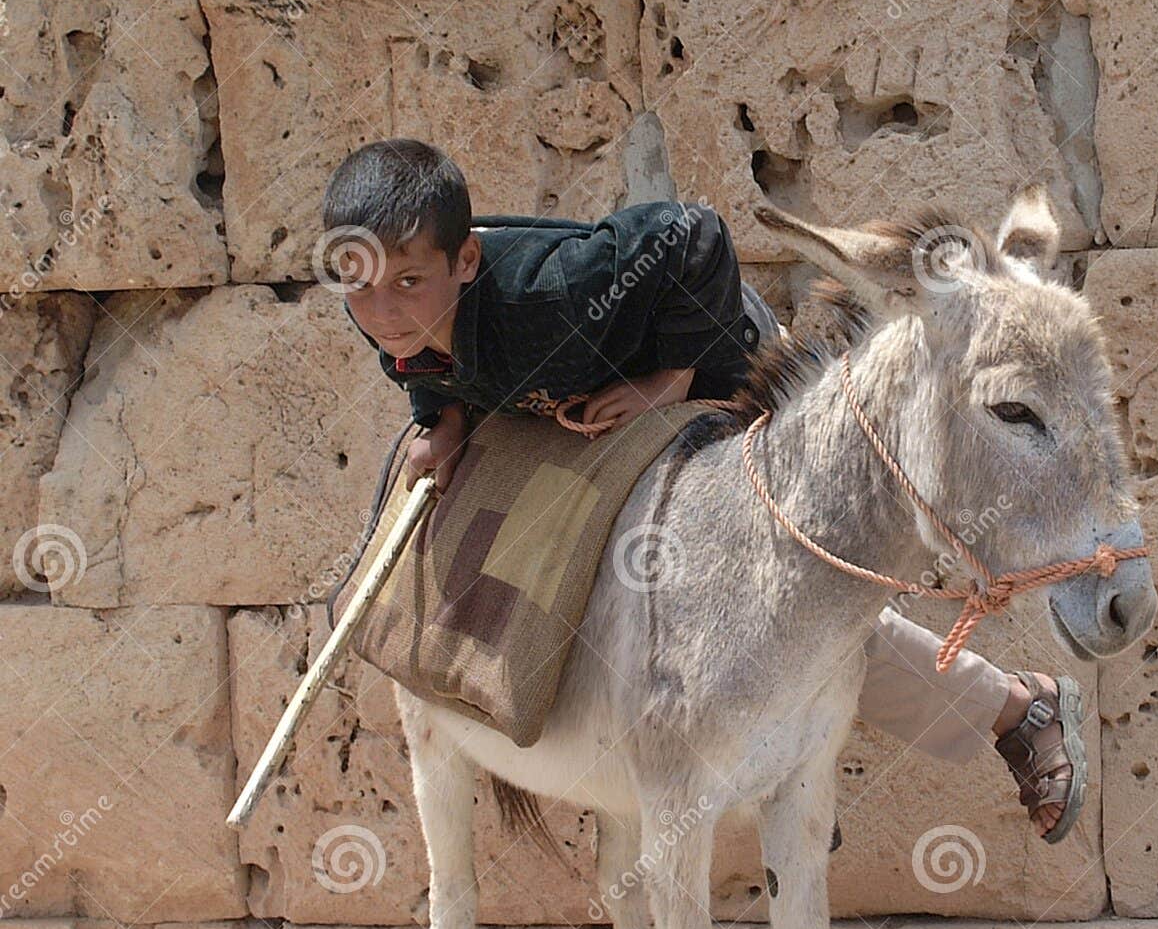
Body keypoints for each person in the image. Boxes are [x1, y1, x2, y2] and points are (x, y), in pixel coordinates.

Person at [323, 137, 1086, 841]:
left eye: (409, 283)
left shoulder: (547, 295)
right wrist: (441, 417)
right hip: (596, 402)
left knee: (783, 591)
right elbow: (415, 355)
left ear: (460, 265)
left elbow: (693, 236)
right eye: (363, 290)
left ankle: (1012, 711)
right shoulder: (385, 303)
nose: (383, 312)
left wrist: (670, 380)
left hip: (714, 359)